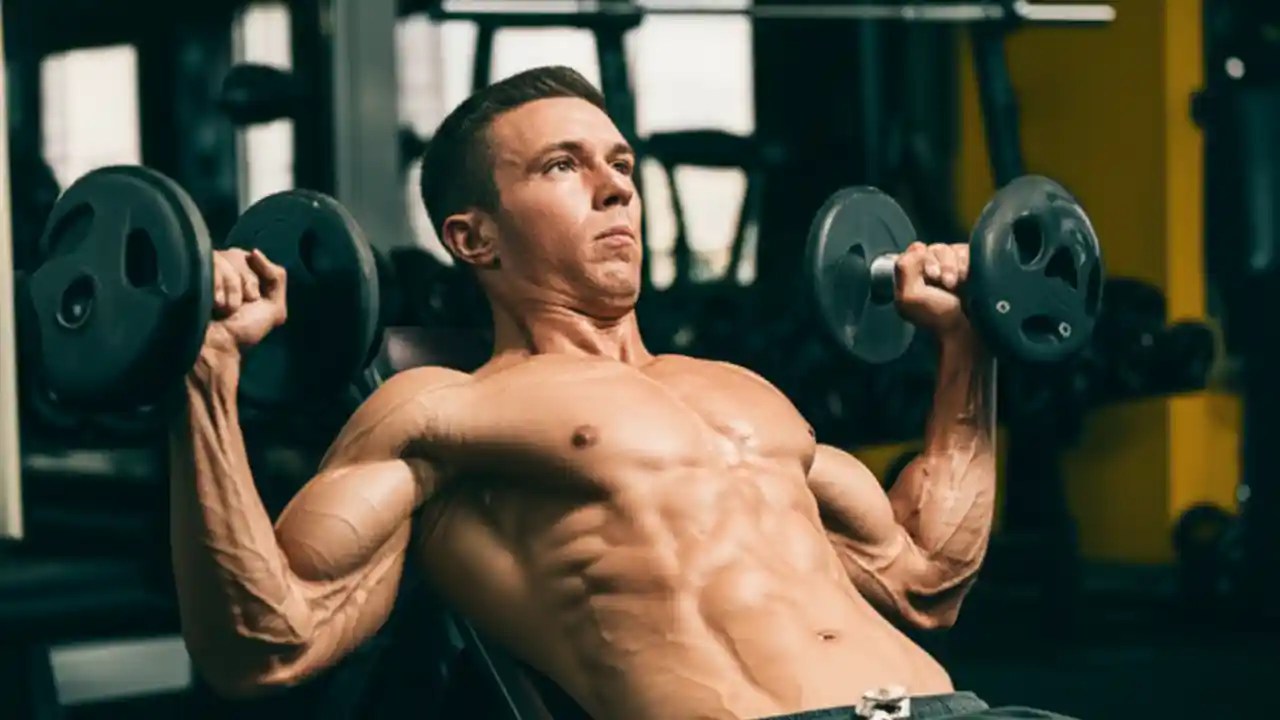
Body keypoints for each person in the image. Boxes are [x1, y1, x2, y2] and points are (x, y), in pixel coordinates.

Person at [170, 66, 1073, 720]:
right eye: (563, 167)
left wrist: (966, 345)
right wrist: (204, 376)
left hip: (957, 708)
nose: (614, 191)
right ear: (473, 237)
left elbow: (927, 584)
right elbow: (264, 643)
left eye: (621, 166)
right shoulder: (443, 410)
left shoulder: (743, 395)